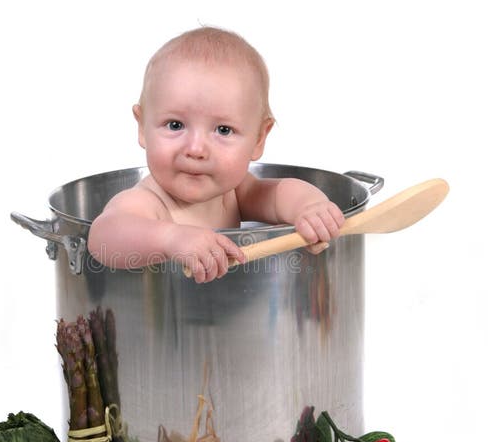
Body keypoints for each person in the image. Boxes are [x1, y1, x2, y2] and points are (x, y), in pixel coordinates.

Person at [88, 26, 345, 283]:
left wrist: (310, 208)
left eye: (223, 130)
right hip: (161, 320)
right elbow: (103, 236)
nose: (196, 149)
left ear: (258, 139)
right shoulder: (148, 201)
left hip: (231, 316)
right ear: (142, 127)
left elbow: (279, 194)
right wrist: (170, 238)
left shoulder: (234, 192)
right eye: (175, 125)